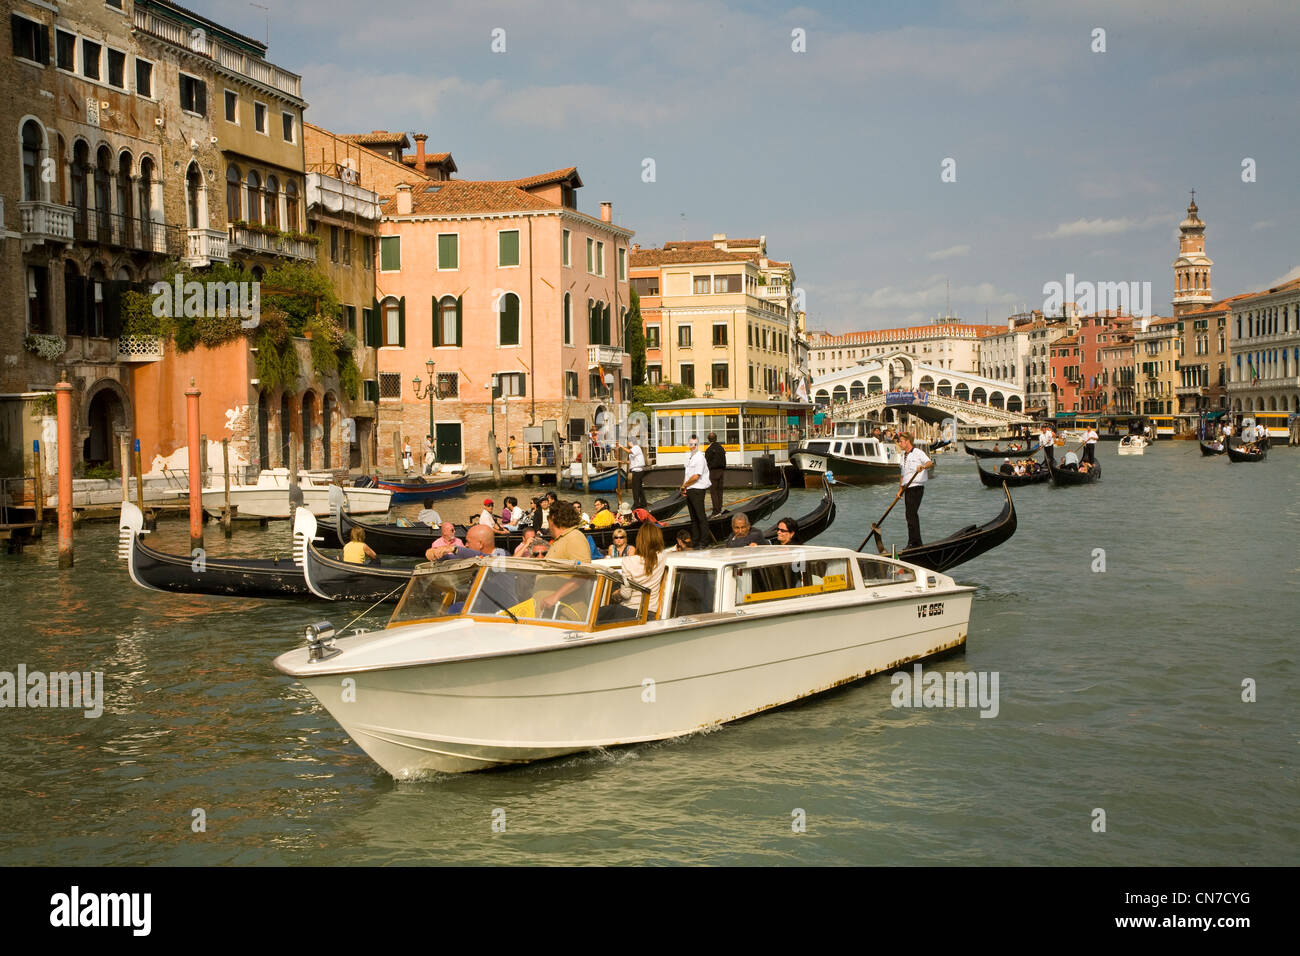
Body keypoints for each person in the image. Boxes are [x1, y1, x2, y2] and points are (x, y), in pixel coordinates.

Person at [896, 432, 933, 550]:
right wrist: (900, 490)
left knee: (911, 514)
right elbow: (902, 475)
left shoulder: (918, 453)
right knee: (909, 515)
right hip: (907, 488)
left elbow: (929, 462)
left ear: (907, 441)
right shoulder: (903, 456)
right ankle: (916, 542)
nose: (899, 443)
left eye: (901, 441)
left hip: (916, 487)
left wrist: (923, 467)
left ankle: (914, 543)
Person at [620, 524, 666, 617]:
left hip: (629, 611)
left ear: (639, 540)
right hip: (649, 612)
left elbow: (626, 595)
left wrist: (617, 594)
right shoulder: (662, 557)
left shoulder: (628, 561)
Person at [680, 435, 714, 548]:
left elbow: (696, 476)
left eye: (695, 444)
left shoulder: (700, 457)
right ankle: (695, 540)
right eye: (691, 444)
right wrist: (683, 487)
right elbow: (687, 474)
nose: (693, 446)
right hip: (690, 489)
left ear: (697, 445)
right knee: (693, 517)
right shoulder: (690, 457)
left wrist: (685, 485)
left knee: (700, 516)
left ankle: (704, 541)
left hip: (698, 489)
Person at [437, 524, 503, 561]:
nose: (466, 545)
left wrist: (453, 549)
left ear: (480, 544)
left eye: (468, 542)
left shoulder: (458, 541)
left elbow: (465, 555)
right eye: (452, 530)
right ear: (444, 532)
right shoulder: (436, 543)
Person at [704, 431, 727, 517]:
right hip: (721, 471)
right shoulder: (721, 448)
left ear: (709, 440)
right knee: (720, 491)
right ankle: (719, 509)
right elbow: (724, 461)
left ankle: (716, 511)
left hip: (713, 472)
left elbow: (706, 462)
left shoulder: (709, 450)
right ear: (716, 438)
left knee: (713, 492)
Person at [627, 439, 647, 509]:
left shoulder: (636, 447)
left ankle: (636, 504)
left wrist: (621, 446)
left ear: (631, 442)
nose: (627, 443)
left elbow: (628, 451)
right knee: (639, 488)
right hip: (636, 470)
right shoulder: (634, 449)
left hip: (637, 471)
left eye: (628, 442)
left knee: (635, 488)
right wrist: (624, 462)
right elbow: (633, 461)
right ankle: (643, 503)